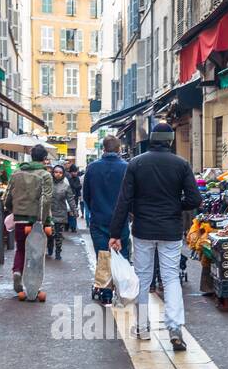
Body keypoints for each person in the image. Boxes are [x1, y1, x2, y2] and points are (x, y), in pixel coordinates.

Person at [109, 122, 200, 351]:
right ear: (170, 140)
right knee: (170, 278)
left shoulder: (136, 163)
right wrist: (175, 206)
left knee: (142, 277)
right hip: (170, 229)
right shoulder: (181, 164)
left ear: (151, 138)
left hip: (143, 229)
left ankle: (142, 327)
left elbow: (123, 200)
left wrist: (115, 233)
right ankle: (175, 327)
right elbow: (194, 200)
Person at [82, 136, 129, 303]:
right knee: (121, 255)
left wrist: (94, 209)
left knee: (103, 256)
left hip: (99, 218)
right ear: (119, 149)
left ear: (103, 149)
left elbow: (86, 195)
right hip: (121, 220)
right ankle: (124, 290)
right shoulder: (126, 167)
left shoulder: (92, 168)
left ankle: (106, 293)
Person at [6, 144, 53, 300]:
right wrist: (45, 220)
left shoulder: (16, 174)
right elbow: (46, 200)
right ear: (44, 159)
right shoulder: (45, 175)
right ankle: (33, 287)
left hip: (19, 217)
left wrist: (10, 209)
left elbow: (8, 196)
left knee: (21, 248)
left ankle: (17, 271)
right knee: (36, 254)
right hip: (36, 220)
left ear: (31, 156)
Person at [48, 163, 75, 260]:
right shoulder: (48, 183)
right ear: (52, 173)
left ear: (63, 174)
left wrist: (74, 211)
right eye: (56, 172)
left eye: (60, 172)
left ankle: (58, 252)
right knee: (50, 234)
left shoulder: (65, 186)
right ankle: (49, 248)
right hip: (49, 213)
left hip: (61, 213)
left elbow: (70, 199)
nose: (58, 174)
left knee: (58, 235)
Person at [66, 163, 83, 231]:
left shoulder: (76, 178)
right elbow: (76, 186)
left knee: (73, 211)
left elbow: (78, 187)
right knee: (70, 212)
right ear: (71, 172)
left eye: (76, 172)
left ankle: (72, 227)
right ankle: (70, 226)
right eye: (74, 172)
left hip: (74, 197)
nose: (75, 173)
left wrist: (78, 195)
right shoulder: (69, 178)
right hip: (69, 197)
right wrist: (78, 187)